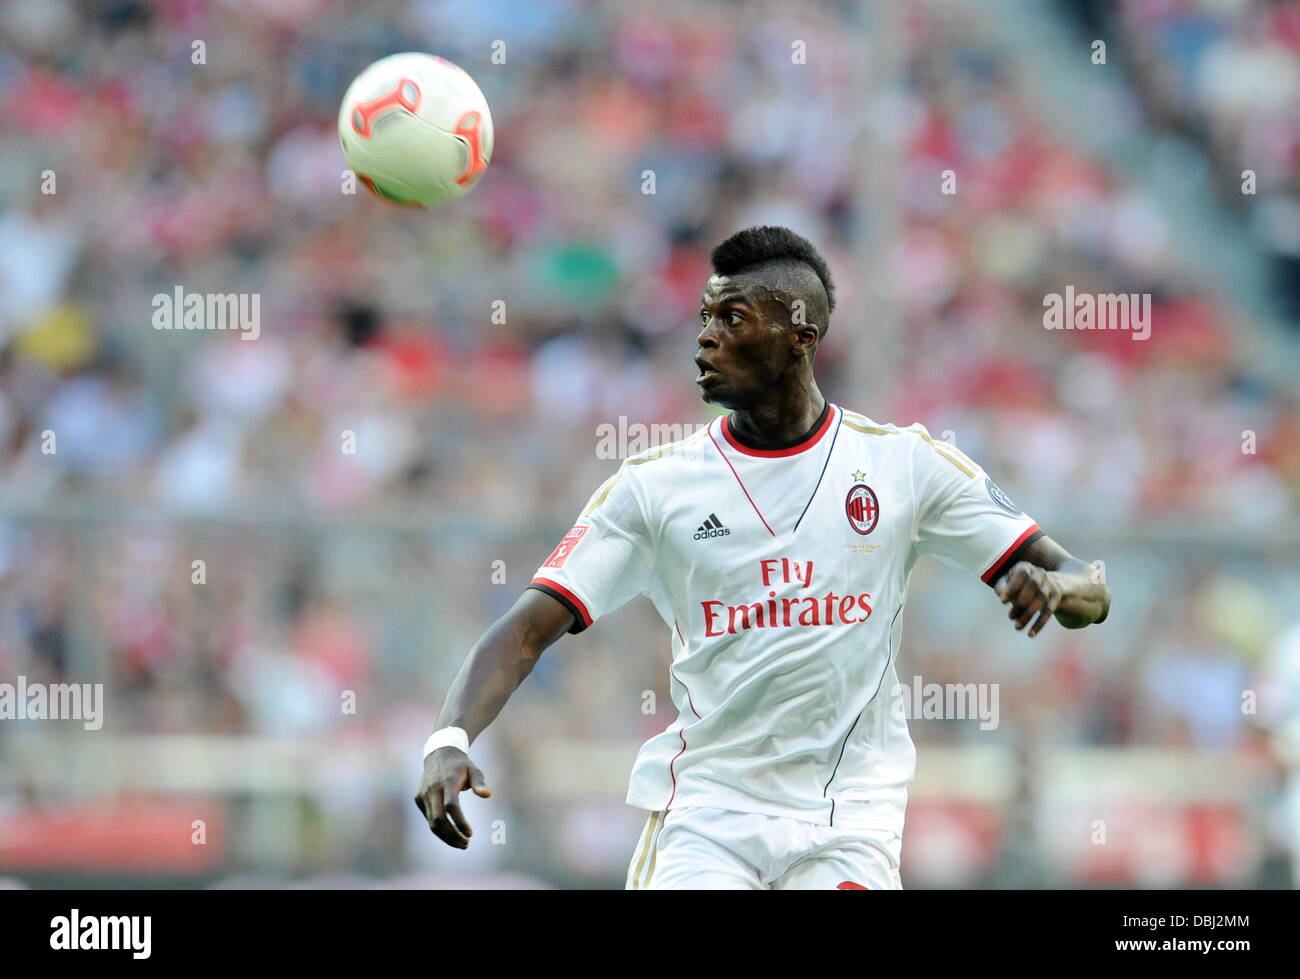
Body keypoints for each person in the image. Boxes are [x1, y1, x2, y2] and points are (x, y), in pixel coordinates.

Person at [414, 225, 1111, 889]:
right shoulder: (655, 488)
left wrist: (1056, 590)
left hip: (848, 817)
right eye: (705, 317)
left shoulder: (902, 465)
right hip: (710, 816)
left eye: (734, 318)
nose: (706, 338)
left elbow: (1087, 584)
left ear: (800, 337)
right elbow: (527, 628)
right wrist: (449, 735)